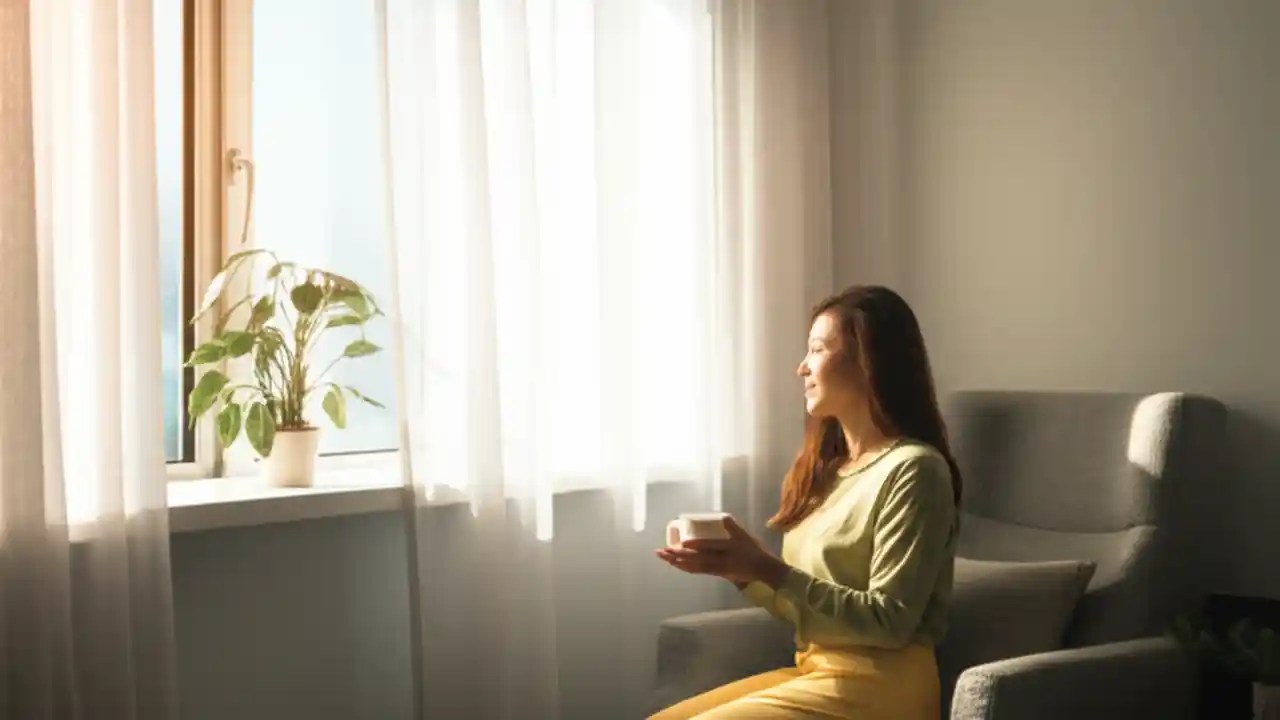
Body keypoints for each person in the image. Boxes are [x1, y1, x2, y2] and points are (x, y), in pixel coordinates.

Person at [652, 285, 962, 719]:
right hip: (817, 672)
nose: (802, 367)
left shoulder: (915, 470)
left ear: (867, 361)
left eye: (817, 349)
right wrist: (739, 571)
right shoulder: (827, 472)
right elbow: (807, 610)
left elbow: (890, 623)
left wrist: (764, 567)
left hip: (884, 688)